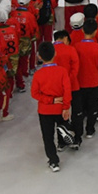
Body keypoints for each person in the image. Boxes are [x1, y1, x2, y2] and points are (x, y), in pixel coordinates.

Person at [30, 41, 72, 172]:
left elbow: (34, 93)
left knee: (47, 136)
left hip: (45, 110)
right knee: (62, 126)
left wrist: (50, 100)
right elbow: (67, 90)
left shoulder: (38, 74)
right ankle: (63, 141)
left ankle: (53, 161)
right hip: (60, 109)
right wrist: (66, 107)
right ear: (55, 54)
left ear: (40, 57)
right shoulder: (62, 71)